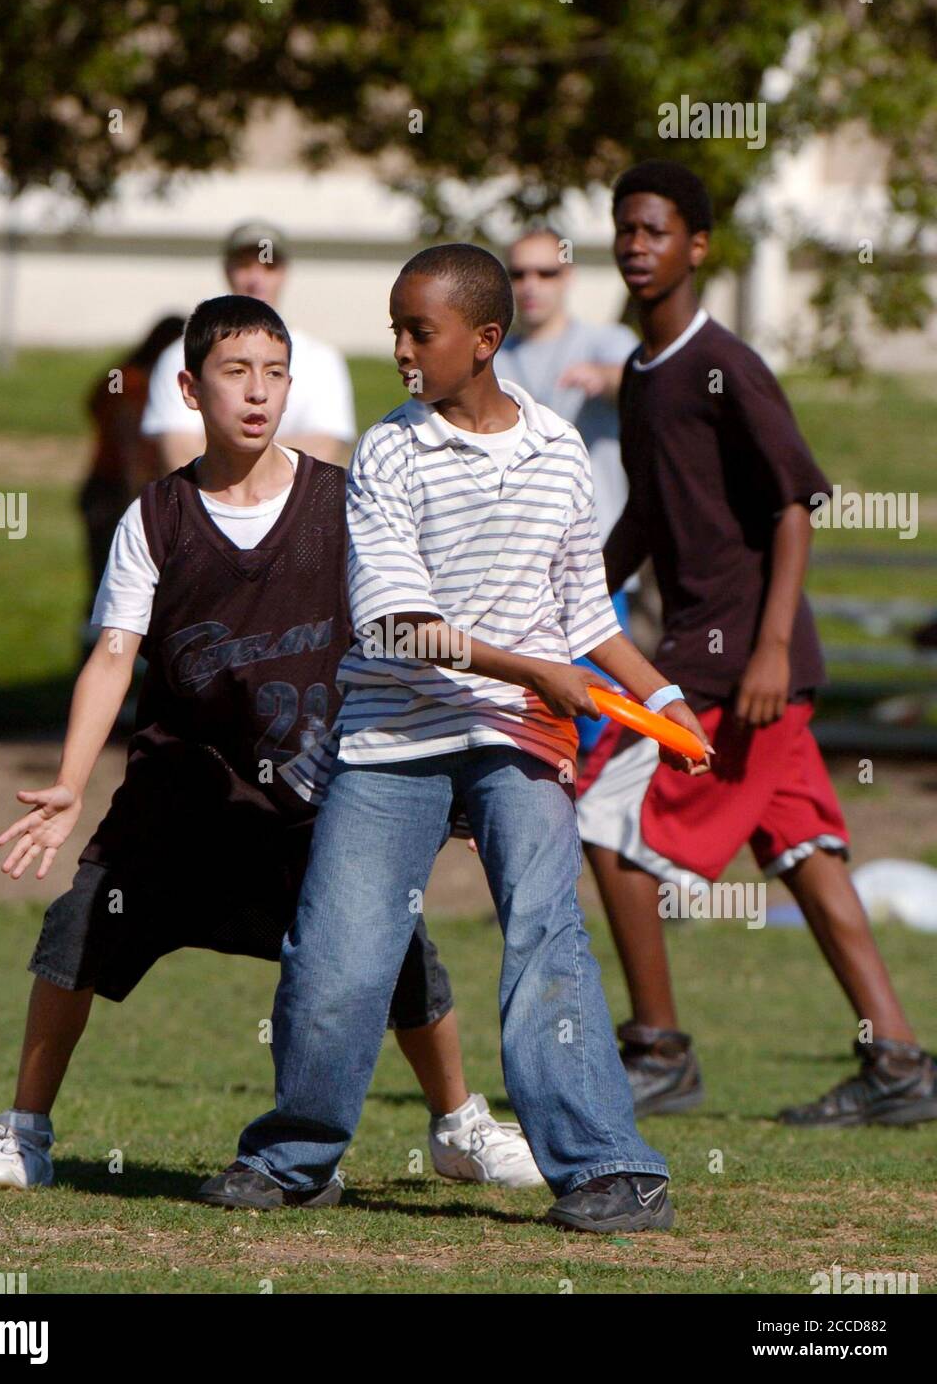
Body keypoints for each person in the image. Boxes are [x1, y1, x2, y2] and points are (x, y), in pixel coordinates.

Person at [0, 296, 541, 1194]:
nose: (258, 392)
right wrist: (72, 784)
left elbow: (407, 632)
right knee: (77, 931)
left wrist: (449, 763)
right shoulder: (155, 518)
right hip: (179, 801)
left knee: (402, 951)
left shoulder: (345, 506)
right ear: (190, 389)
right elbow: (113, 657)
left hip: (315, 802)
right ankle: (24, 1131)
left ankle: (459, 1125)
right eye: (236, 372)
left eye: (274, 372)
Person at [197, 245, 713, 1233]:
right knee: (340, 951)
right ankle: (294, 1155)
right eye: (393, 326)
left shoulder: (558, 450)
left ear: (483, 341)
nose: (397, 348)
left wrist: (666, 697)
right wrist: (536, 675)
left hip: (518, 735)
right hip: (394, 732)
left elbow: (585, 619)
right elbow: (395, 622)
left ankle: (608, 1165)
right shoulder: (389, 454)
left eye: (416, 330)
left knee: (545, 937)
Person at [577, 160, 937, 1126]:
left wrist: (772, 647)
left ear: (698, 247)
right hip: (714, 654)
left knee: (609, 827)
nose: (636, 246)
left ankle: (659, 1050)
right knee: (810, 856)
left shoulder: (722, 361)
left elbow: (795, 502)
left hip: (739, 667)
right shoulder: (644, 375)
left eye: (656, 231)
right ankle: (899, 1064)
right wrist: (570, 595)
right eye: (625, 229)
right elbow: (648, 519)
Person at [497, 228, 639, 752]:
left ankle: (598, 828)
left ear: (569, 276)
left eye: (546, 272)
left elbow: (643, 373)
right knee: (526, 727)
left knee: (602, 717)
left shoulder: (603, 342)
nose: (531, 284)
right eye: (519, 273)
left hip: (593, 574)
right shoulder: (494, 354)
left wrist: (608, 377)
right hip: (514, 576)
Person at [141, 222, 355, 471]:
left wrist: (221, 449)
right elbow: (179, 454)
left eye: (268, 267)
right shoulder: (178, 356)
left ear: (284, 273)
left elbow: (323, 453)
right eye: (244, 266)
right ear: (226, 270)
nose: (256, 279)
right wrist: (280, 454)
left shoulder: (322, 360)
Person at [78, 313, 184, 626]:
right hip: (117, 489)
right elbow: (129, 444)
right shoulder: (136, 382)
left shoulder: (124, 374)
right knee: (115, 580)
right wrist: (135, 497)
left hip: (109, 486)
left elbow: (92, 404)